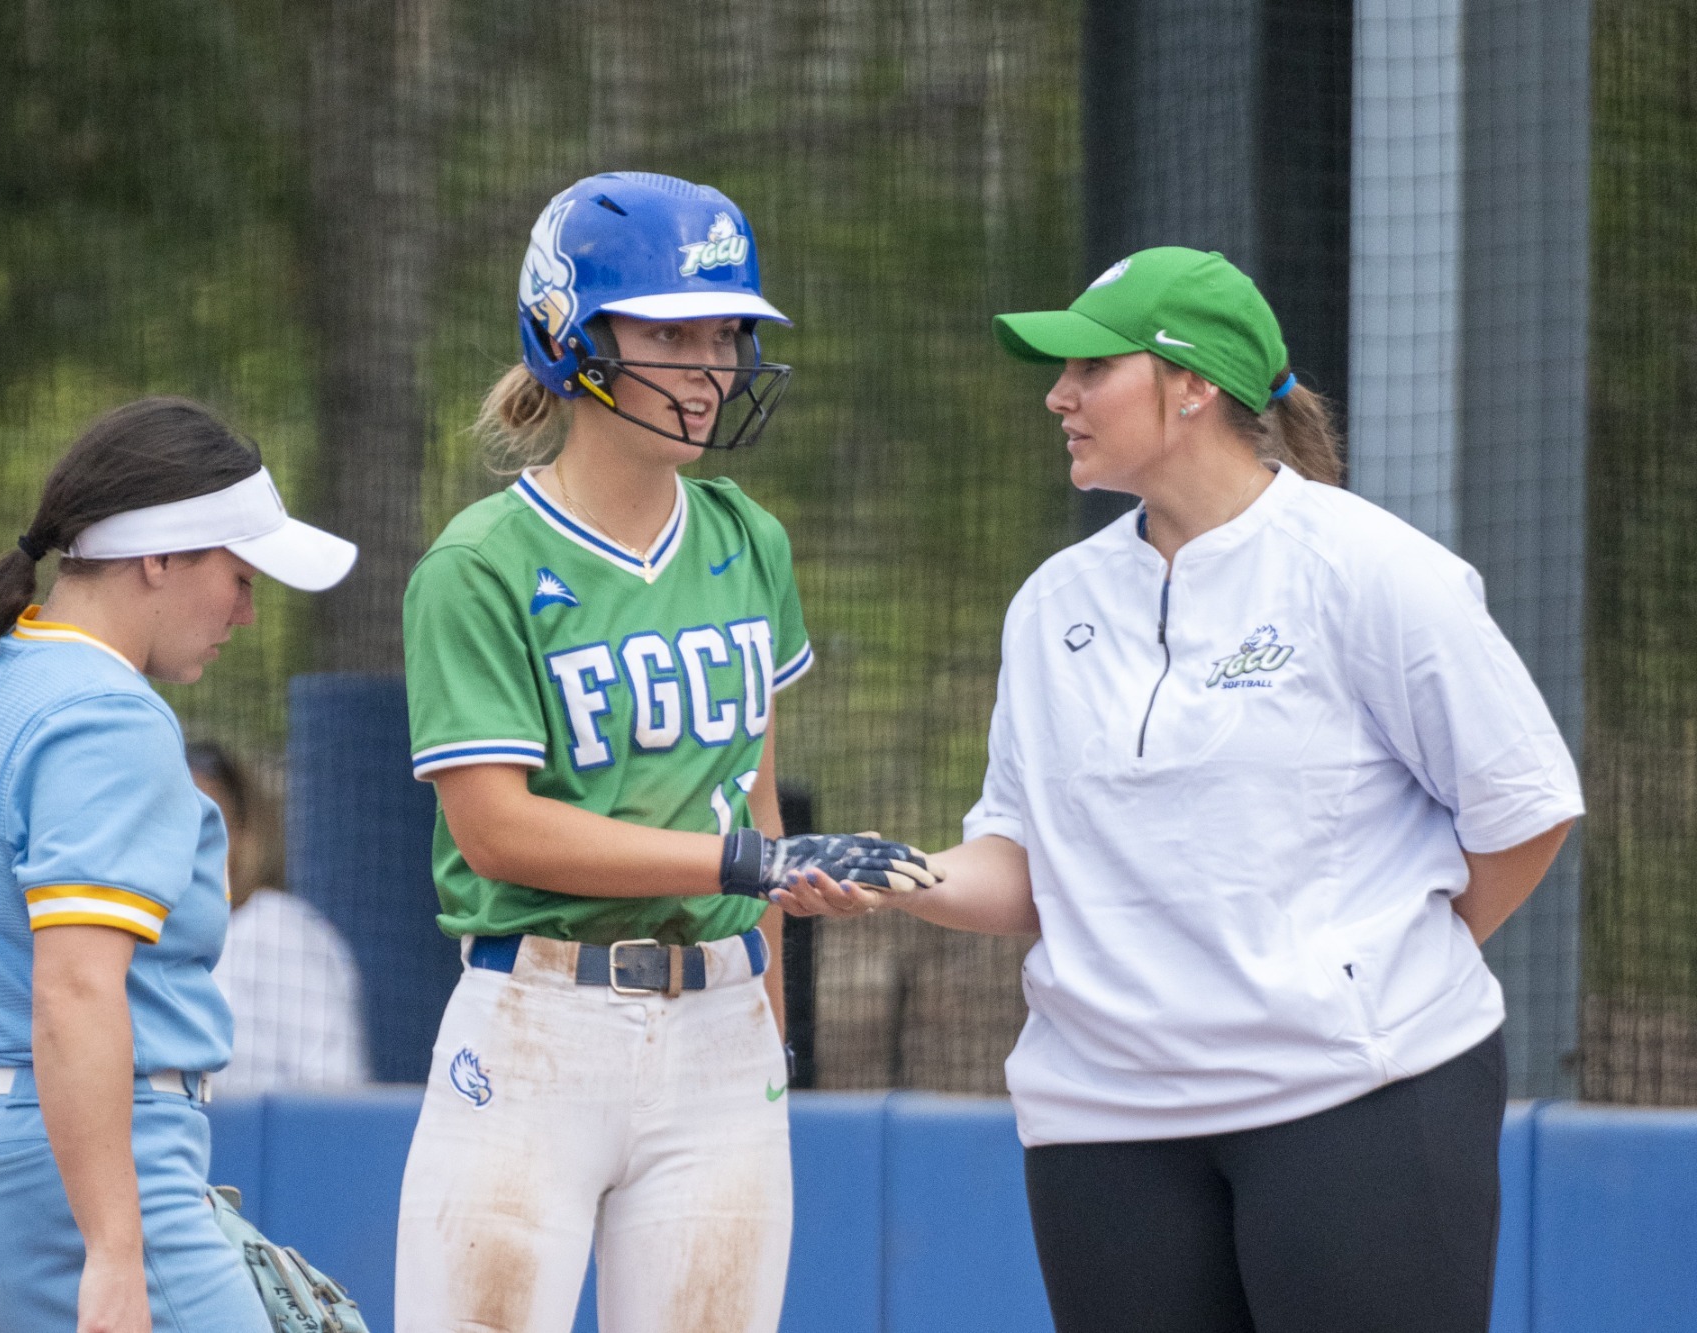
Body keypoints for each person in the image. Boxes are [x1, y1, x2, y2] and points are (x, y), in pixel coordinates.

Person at [775, 247, 1584, 1333]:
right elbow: (1022, 860)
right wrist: (900, 875)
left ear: (1192, 382)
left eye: (1087, 366)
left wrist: (1376, 964)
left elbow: (1524, 808)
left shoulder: (1370, 569)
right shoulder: (1051, 602)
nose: (1056, 394)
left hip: (1360, 1097)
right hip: (1104, 1121)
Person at [395, 171, 933, 1333]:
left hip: (721, 1034)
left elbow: (760, 815)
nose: (712, 365)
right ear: (571, 339)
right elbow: (497, 826)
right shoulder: (478, 561)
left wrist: (770, 1037)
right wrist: (738, 866)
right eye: (671, 332)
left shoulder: (748, 538)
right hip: (536, 1016)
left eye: (728, 331)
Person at [0, 397, 356, 1333]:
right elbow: (75, 992)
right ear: (159, 557)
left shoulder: (3, 676)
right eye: (240, 575)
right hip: (66, 1188)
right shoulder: (107, 713)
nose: (248, 612)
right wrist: (116, 1247)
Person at [186, 740, 369, 1093]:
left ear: (241, 835)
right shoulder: (136, 938)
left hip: (267, 1141)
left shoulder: (277, 927)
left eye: (205, 821)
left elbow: (332, 1084)